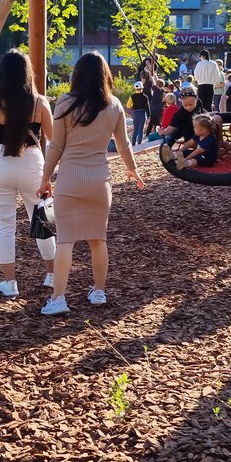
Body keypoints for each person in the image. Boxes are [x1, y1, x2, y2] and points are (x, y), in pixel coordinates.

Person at [37, 51, 144, 315]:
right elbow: (123, 144)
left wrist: (45, 177)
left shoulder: (65, 103)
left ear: (77, 75)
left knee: (65, 241)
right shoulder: (114, 105)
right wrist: (132, 169)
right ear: (105, 75)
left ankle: (58, 299)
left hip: (70, 180)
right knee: (98, 239)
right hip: (100, 180)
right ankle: (98, 292)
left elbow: (56, 146)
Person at [0, 50, 57, 297]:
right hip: (32, 162)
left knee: (4, 224)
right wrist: (51, 174)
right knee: (43, 219)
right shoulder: (40, 102)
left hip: (0, 164)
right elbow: (55, 139)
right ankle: (53, 275)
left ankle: (10, 282)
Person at [159, 84, 206, 148]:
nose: (188, 107)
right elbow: (172, 126)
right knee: (174, 132)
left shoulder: (199, 107)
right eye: (185, 105)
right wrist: (164, 132)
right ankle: (167, 145)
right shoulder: (180, 113)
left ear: (196, 100)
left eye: (191, 104)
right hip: (187, 132)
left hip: (198, 134)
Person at [128, 80, 150, 146]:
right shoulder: (145, 97)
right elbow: (147, 107)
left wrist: (133, 106)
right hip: (142, 113)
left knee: (135, 130)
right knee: (141, 130)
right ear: (142, 88)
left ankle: (133, 144)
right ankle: (140, 144)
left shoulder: (132, 96)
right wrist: (149, 116)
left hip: (135, 113)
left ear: (135, 88)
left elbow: (128, 106)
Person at [145, 72, 165, 136]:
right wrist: (156, 75)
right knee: (157, 121)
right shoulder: (162, 90)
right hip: (159, 107)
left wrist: (152, 77)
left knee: (152, 120)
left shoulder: (155, 89)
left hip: (154, 107)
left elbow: (154, 82)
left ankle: (148, 133)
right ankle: (158, 132)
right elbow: (158, 82)